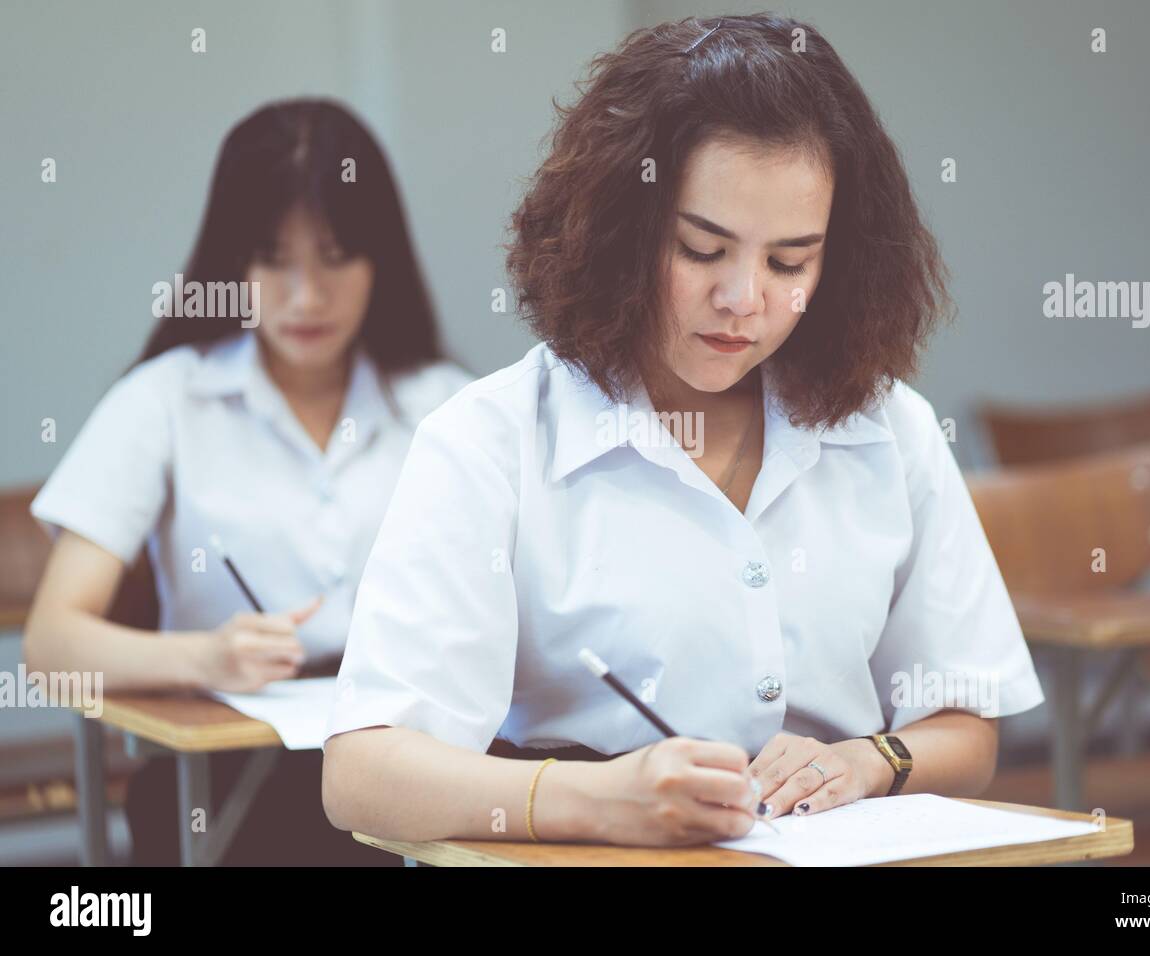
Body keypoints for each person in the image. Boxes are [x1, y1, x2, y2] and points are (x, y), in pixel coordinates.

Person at [322, 14, 1044, 849]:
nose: (744, 299)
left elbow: (967, 728)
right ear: (621, 236)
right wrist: (596, 799)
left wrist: (874, 759)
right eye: (702, 249)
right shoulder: (490, 442)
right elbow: (362, 776)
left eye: (789, 263)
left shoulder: (890, 428)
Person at [24, 98, 473, 864]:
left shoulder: (446, 402)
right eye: (273, 259)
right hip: (225, 775)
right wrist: (205, 657)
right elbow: (51, 646)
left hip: (409, 766)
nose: (306, 296)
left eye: (335, 257)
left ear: (380, 258)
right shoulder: (165, 400)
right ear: (233, 261)